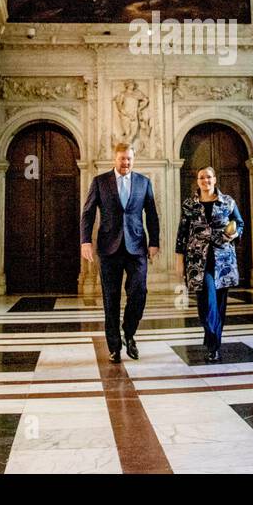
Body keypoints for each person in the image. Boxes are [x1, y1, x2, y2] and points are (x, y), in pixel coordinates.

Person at [80, 142, 159, 363]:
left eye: (129, 159)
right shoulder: (100, 182)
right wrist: (85, 241)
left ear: (134, 160)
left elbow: (152, 214)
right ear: (115, 159)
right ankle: (114, 346)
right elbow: (87, 213)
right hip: (108, 247)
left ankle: (129, 331)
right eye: (122, 159)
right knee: (110, 298)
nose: (126, 163)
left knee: (139, 291)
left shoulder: (144, 182)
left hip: (136, 247)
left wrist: (154, 242)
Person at [175, 166, 243, 362]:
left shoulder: (228, 201)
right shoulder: (190, 204)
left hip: (223, 259)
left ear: (215, 180)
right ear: (198, 181)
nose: (206, 181)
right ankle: (212, 340)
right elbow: (182, 232)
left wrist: (235, 233)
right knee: (207, 297)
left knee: (219, 304)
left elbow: (239, 223)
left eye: (209, 177)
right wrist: (179, 259)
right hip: (197, 259)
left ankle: (214, 342)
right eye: (202, 178)